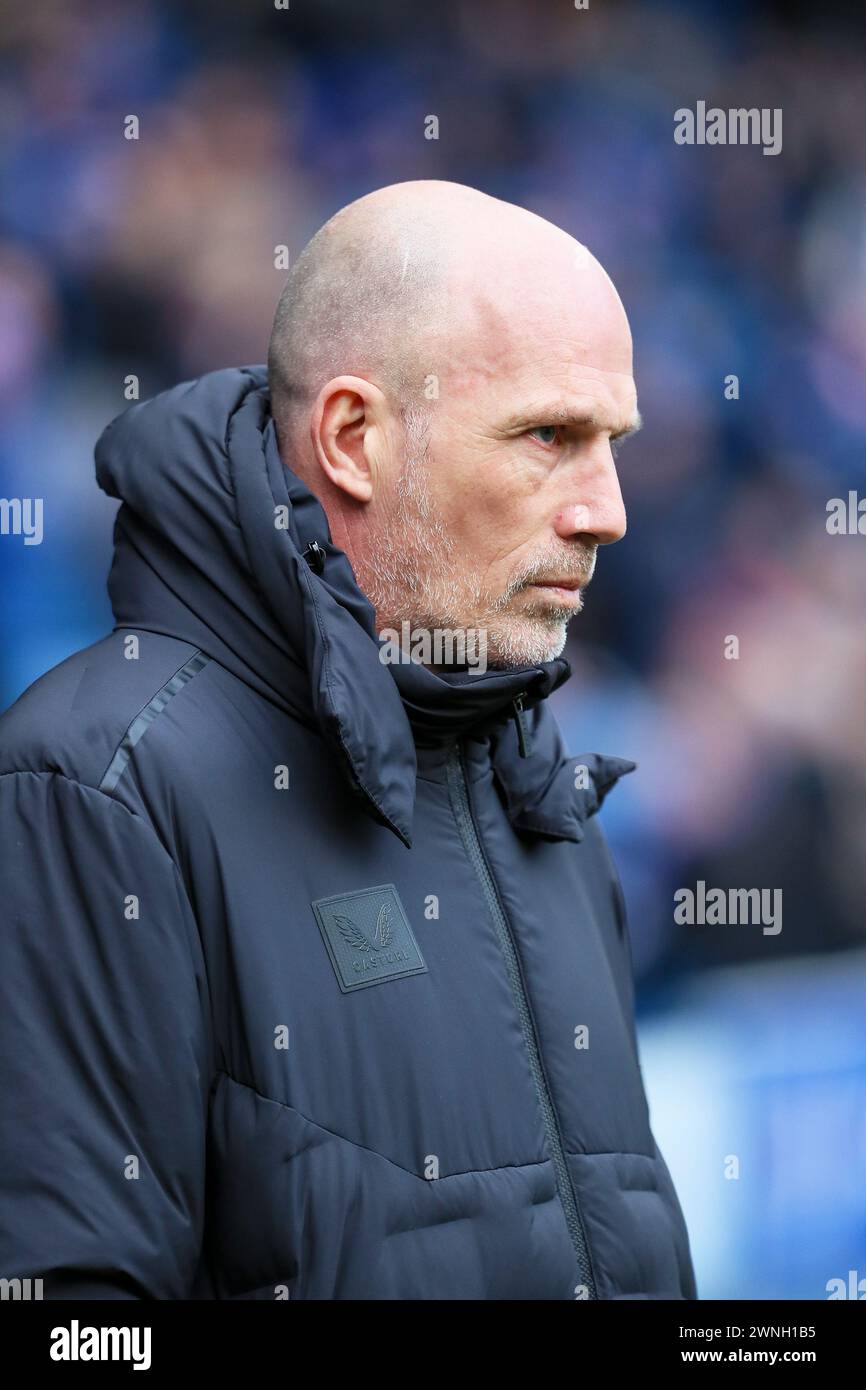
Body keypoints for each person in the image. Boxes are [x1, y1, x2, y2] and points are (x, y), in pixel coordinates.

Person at [0, 180, 697, 1299]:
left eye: (611, 442)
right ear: (353, 439)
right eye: (549, 436)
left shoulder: (542, 793)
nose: (604, 508)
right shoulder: (90, 788)